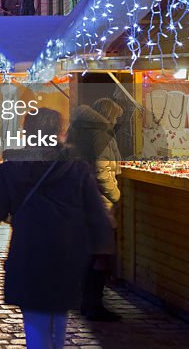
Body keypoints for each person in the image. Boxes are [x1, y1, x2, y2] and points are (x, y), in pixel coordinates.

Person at [0, 108, 115, 349]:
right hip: (67, 253)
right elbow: (97, 214)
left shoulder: (11, 168)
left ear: (26, 132)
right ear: (59, 132)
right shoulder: (77, 168)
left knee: (36, 324)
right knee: (58, 318)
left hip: (29, 252)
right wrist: (103, 252)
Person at [66, 98, 124, 322]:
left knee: (90, 252)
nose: (117, 121)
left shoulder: (80, 131)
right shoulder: (100, 134)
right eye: (116, 117)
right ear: (108, 115)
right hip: (98, 201)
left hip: (81, 198)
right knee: (102, 252)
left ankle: (86, 300)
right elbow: (101, 170)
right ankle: (94, 304)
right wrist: (116, 195)